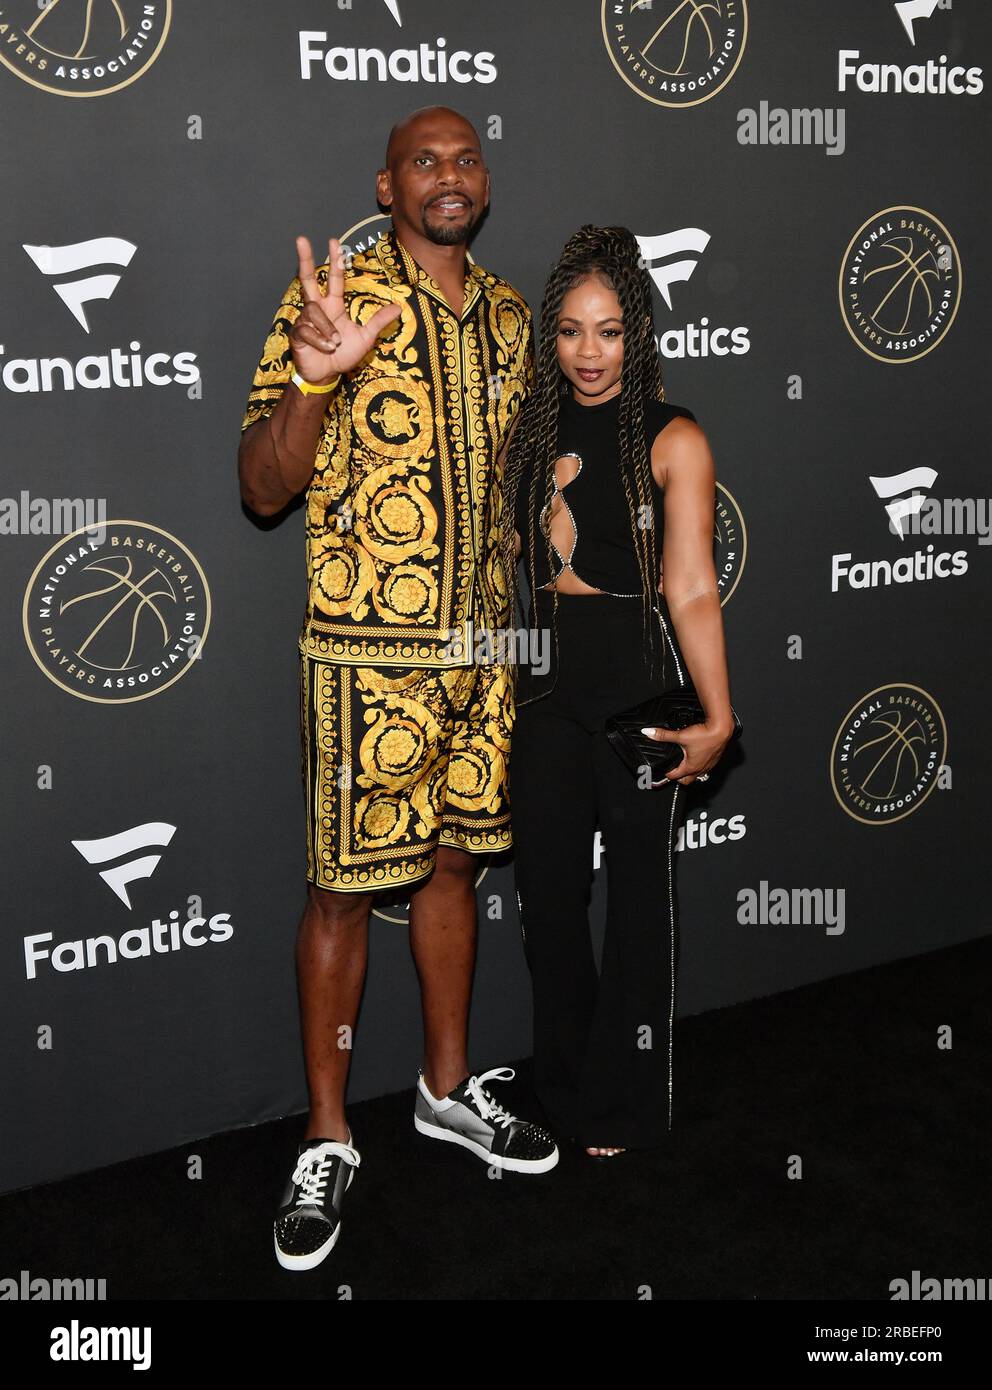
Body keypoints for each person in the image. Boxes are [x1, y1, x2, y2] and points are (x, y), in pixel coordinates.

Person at [238, 106, 558, 1272]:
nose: (450, 175)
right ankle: (325, 1134)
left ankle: (444, 1088)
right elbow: (264, 486)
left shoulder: (516, 318)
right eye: (424, 160)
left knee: (457, 865)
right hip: (368, 655)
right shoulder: (335, 293)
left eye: (467, 157)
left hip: (482, 652)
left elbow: (526, 501)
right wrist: (318, 376)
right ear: (385, 184)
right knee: (338, 892)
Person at [505, 225, 737, 1159]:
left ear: (636, 332)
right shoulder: (529, 428)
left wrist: (719, 714)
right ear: (549, 338)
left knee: (639, 904)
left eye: (607, 332)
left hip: (639, 678)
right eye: (569, 332)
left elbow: (688, 584)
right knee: (549, 900)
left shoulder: (674, 436)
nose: (588, 354)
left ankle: (624, 1101)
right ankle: (563, 1081)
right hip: (544, 682)